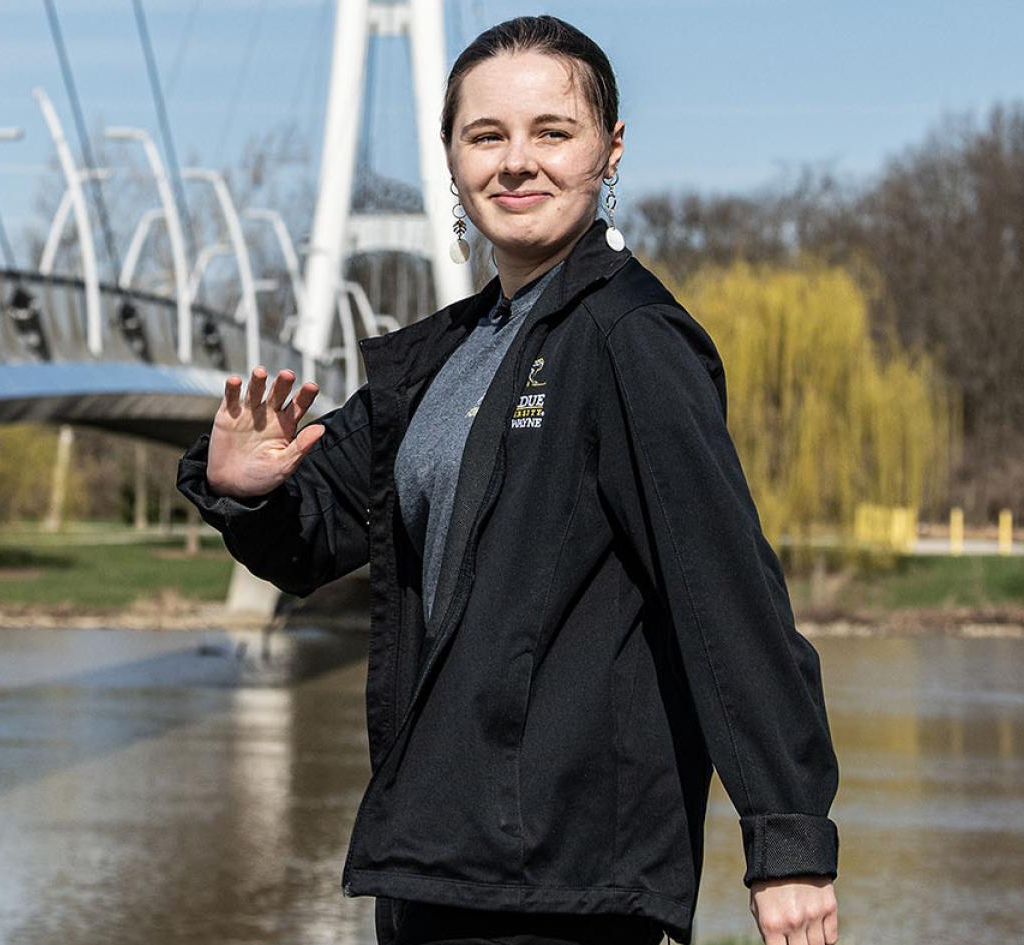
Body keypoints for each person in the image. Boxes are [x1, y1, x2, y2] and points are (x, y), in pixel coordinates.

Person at [176, 15, 841, 945]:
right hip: (437, 856)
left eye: (551, 132)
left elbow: (724, 589)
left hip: (562, 879)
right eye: (486, 136)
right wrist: (243, 486)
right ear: (451, 159)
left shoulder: (632, 339)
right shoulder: (442, 356)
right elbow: (314, 537)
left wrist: (789, 840)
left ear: (611, 152)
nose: (516, 162)